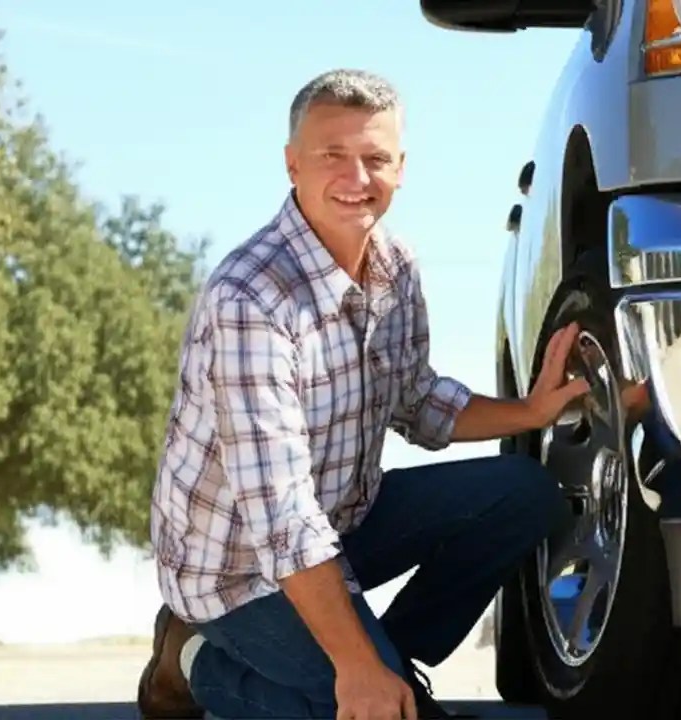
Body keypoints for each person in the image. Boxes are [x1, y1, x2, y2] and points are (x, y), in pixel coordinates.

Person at [136, 68, 591, 720]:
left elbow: (416, 396)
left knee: (524, 496)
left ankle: (387, 673)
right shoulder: (250, 299)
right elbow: (282, 520)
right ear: (292, 165)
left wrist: (533, 411)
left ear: (401, 168)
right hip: (237, 569)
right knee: (370, 705)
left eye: (375, 158)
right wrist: (354, 666)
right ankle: (190, 661)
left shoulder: (394, 267)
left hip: (346, 519)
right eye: (332, 157)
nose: (357, 179)